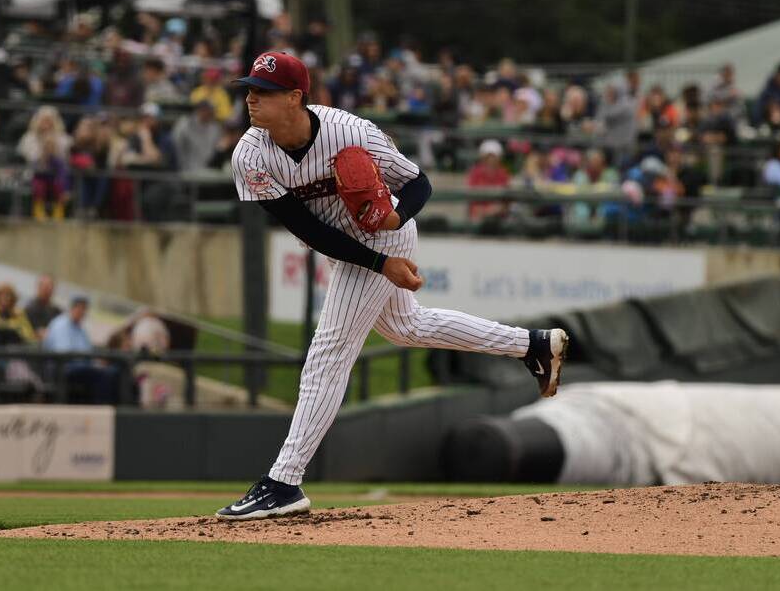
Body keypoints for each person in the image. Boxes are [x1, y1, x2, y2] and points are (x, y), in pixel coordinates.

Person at [218, 51, 569, 520]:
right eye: (250, 89)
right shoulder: (250, 154)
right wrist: (381, 264)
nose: (251, 98)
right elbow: (309, 229)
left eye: (263, 91)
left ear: (295, 97)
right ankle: (533, 344)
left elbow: (419, 183)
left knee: (329, 351)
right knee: (407, 327)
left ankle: (285, 481)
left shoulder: (350, 131)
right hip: (355, 247)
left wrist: (394, 219)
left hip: (386, 231)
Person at [43, 296, 121, 404]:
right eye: (81, 308)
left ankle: (112, 409)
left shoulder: (80, 328)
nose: (83, 312)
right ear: (73, 308)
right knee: (103, 374)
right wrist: (92, 364)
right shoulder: (60, 324)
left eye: (85, 309)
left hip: (79, 366)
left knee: (112, 371)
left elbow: (88, 351)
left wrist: (96, 362)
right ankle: (101, 409)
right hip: (62, 369)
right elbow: (65, 354)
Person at [18, 106, 72, 220]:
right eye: (44, 120)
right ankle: (39, 213)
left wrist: (54, 147)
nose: (46, 124)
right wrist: (44, 150)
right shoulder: (28, 138)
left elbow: (64, 161)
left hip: (56, 174)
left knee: (60, 183)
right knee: (38, 185)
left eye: (50, 120)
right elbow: (30, 159)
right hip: (36, 173)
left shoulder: (64, 139)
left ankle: (58, 214)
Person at [465, 139, 512, 220]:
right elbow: (473, 202)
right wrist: (486, 212)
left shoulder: (503, 173)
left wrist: (495, 210)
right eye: (488, 156)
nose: (491, 159)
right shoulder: (475, 173)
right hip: (478, 216)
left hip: (498, 217)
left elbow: (505, 203)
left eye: (494, 156)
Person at [171, 100, 222, 171]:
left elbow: (216, 150)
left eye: (211, 111)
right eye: (208, 110)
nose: (210, 113)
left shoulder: (215, 128)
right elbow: (175, 145)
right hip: (186, 168)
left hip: (209, 170)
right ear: (200, 110)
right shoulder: (184, 124)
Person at [24, 274, 62, 339]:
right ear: (38, 288)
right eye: (44, 287)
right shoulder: (28, 310)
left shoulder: (57, 312)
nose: (47, 290)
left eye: (49, 287)